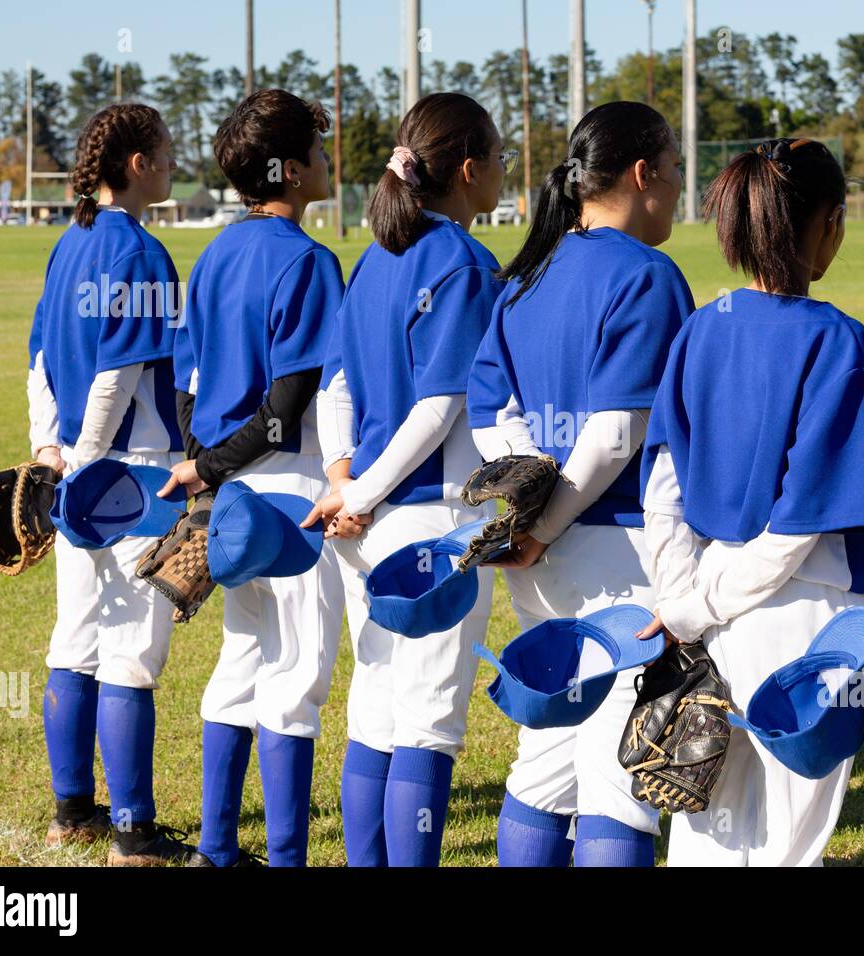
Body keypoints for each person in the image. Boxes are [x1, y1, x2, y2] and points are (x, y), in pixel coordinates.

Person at [638, 138, 864, 866]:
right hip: (802, 617)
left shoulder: (699, 327)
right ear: (829, 224)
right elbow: (799, 523)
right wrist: (696, 604)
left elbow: (663, 489)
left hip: (708, 605)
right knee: (784, 842)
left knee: (703, 823)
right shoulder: (840, 340)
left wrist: (683, 598)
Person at [466, 101, 694, 867]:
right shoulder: (647, 274)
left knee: (549, 760)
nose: (675, 186)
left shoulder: (529, 274)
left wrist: (530, 505)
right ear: (641, 174)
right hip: (616, 549)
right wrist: (545, 522)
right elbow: (619, 432)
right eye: (672, 169)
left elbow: (490, 411)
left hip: (543, 561)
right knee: (620, 779)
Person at [301, 92, 513, 866]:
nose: (502, 171)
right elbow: (439, 407)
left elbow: (335, 387)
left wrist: (341, 480)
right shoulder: (462, 259)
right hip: (430, 517)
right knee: (426, 719)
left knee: (377, 704)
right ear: (467, 168)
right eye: (497, 156)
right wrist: (358, 492)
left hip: (366, 519)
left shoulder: (375, 256)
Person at [163, 89, 346, 867]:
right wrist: (213, 464)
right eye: (318, 145)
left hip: (233, 497)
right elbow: (290, 402)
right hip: (292, 488)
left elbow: (186, 388)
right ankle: (284, 857)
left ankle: (214, 847)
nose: (328, 157)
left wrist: (204, 469)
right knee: (296, 674)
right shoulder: (307, 258)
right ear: (292, 169)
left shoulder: (213, 255)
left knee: (243, 657)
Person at [27, 103, 191, 865]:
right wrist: (90, 461)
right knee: (129, 652)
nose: (170, 161)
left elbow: (39, 364)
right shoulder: (141, 250)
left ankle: (71, 813)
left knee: (75, 640)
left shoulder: (68, 245)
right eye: (163, 152)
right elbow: (118, 372)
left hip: (73, 474)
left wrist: (49, 452)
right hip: (131, 474)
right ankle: (133, 832)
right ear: (136, 165)